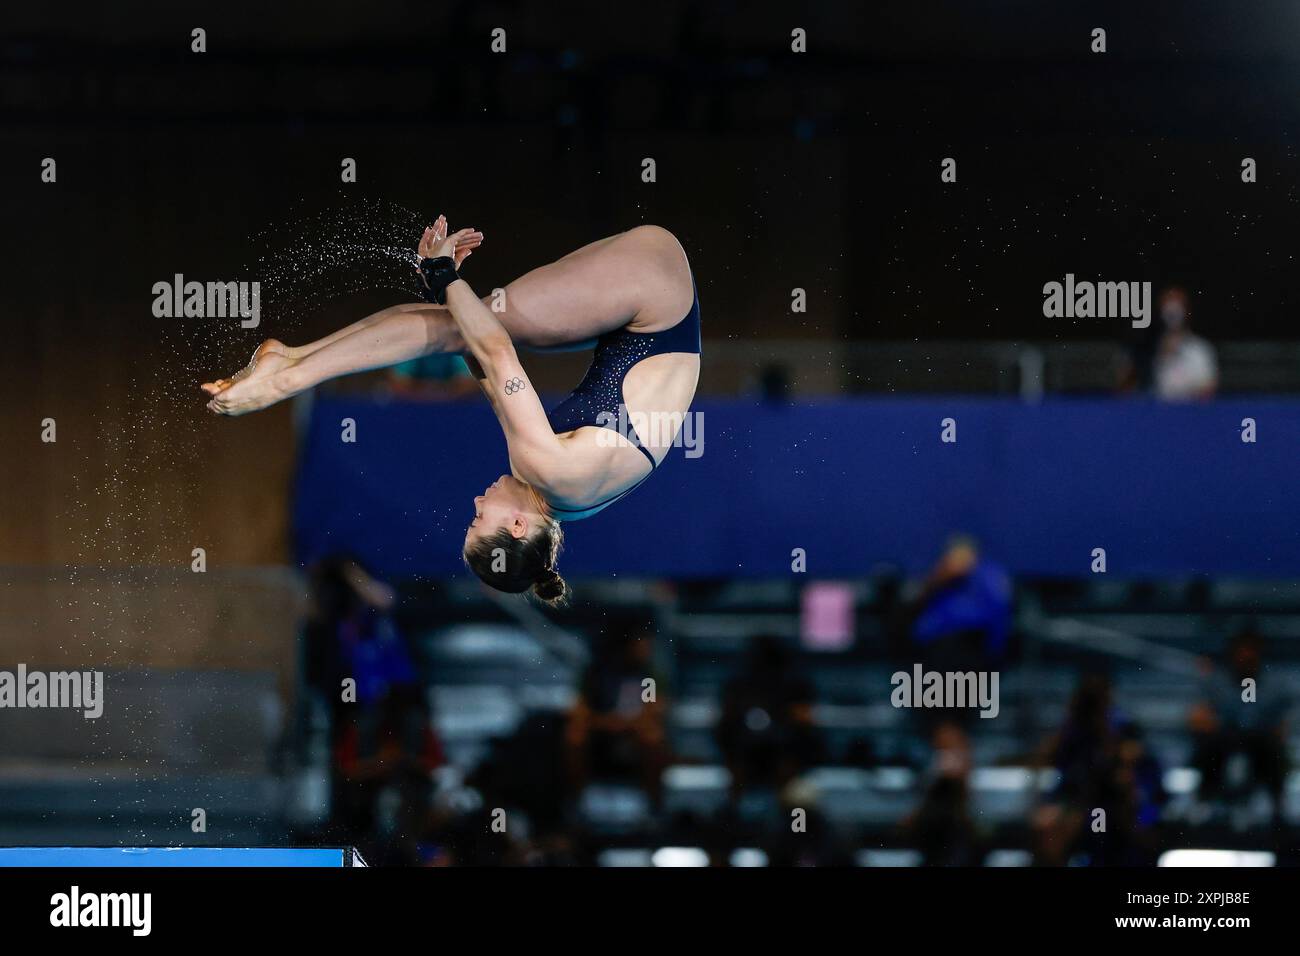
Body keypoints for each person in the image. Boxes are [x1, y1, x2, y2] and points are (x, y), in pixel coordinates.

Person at [202, 218, 701, 605]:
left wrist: (451, 296)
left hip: (649, 317)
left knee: (458, 325)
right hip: (653, 290)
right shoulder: (548, 472)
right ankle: (287, 376)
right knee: (462, 324)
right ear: (519, 528)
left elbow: (481, 361)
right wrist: (445, 278)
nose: (477, 504)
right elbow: (498, 353)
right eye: (479, 520)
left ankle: (289, 361)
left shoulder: (559, 497)